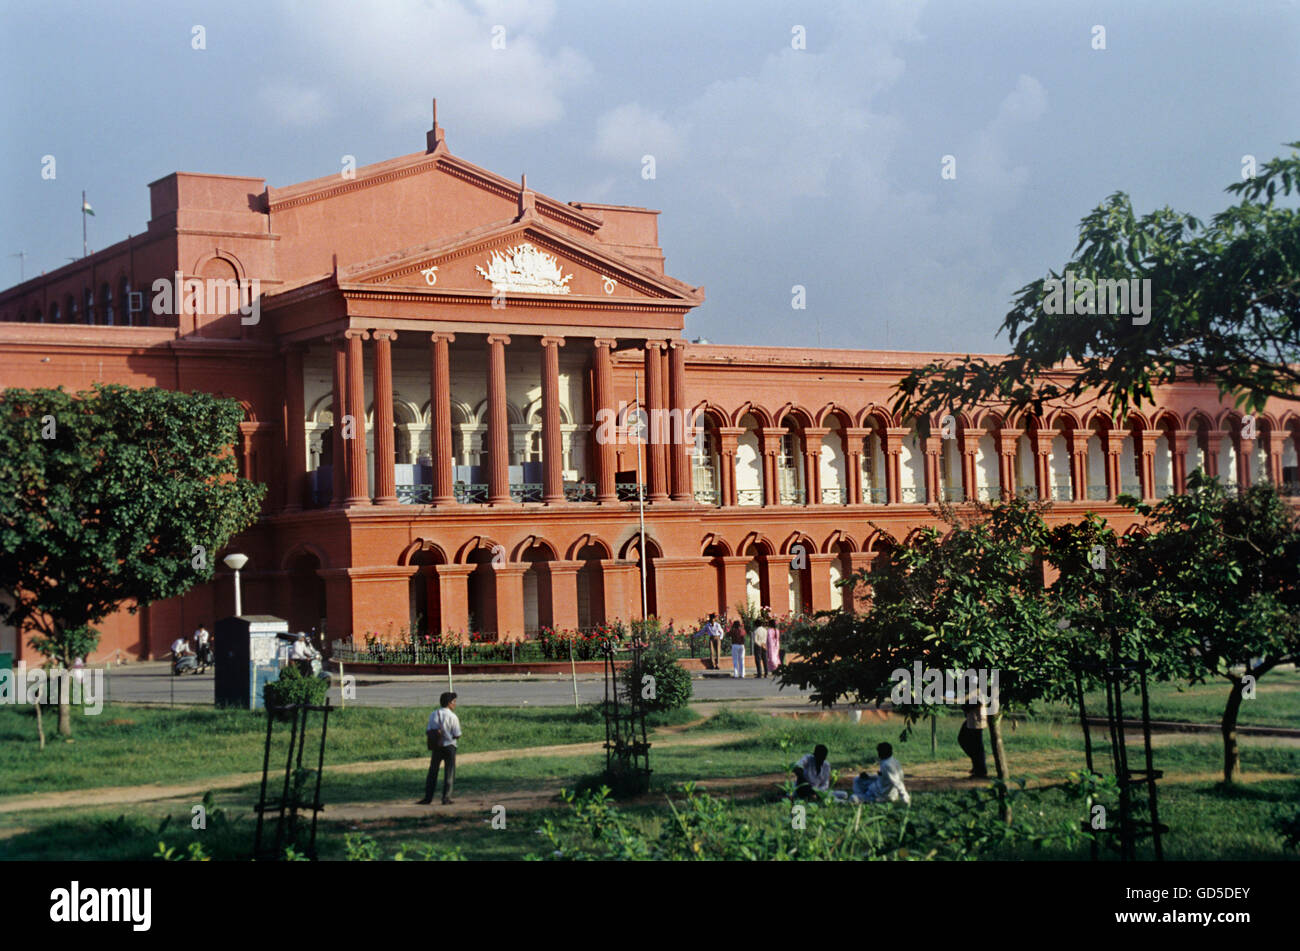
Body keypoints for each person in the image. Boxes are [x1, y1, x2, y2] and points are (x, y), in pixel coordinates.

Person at [418, 691, 462, 805]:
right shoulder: (453, 716)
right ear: (449, 703)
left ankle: (428, 797)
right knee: (449, 772)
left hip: (437, 746)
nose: (455, 704)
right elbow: (457, 734)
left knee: (433, 771)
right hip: (450, 746)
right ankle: (446, 798)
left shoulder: (434, 714)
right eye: (454, 702)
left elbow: (429, 730)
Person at [958, 701, 989, 778]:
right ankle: (978, 765)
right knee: (972, 743)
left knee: (976, 745)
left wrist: (966, 706)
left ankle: (980, 770)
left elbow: (979, 702)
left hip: (977, 718)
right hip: (973, 717)